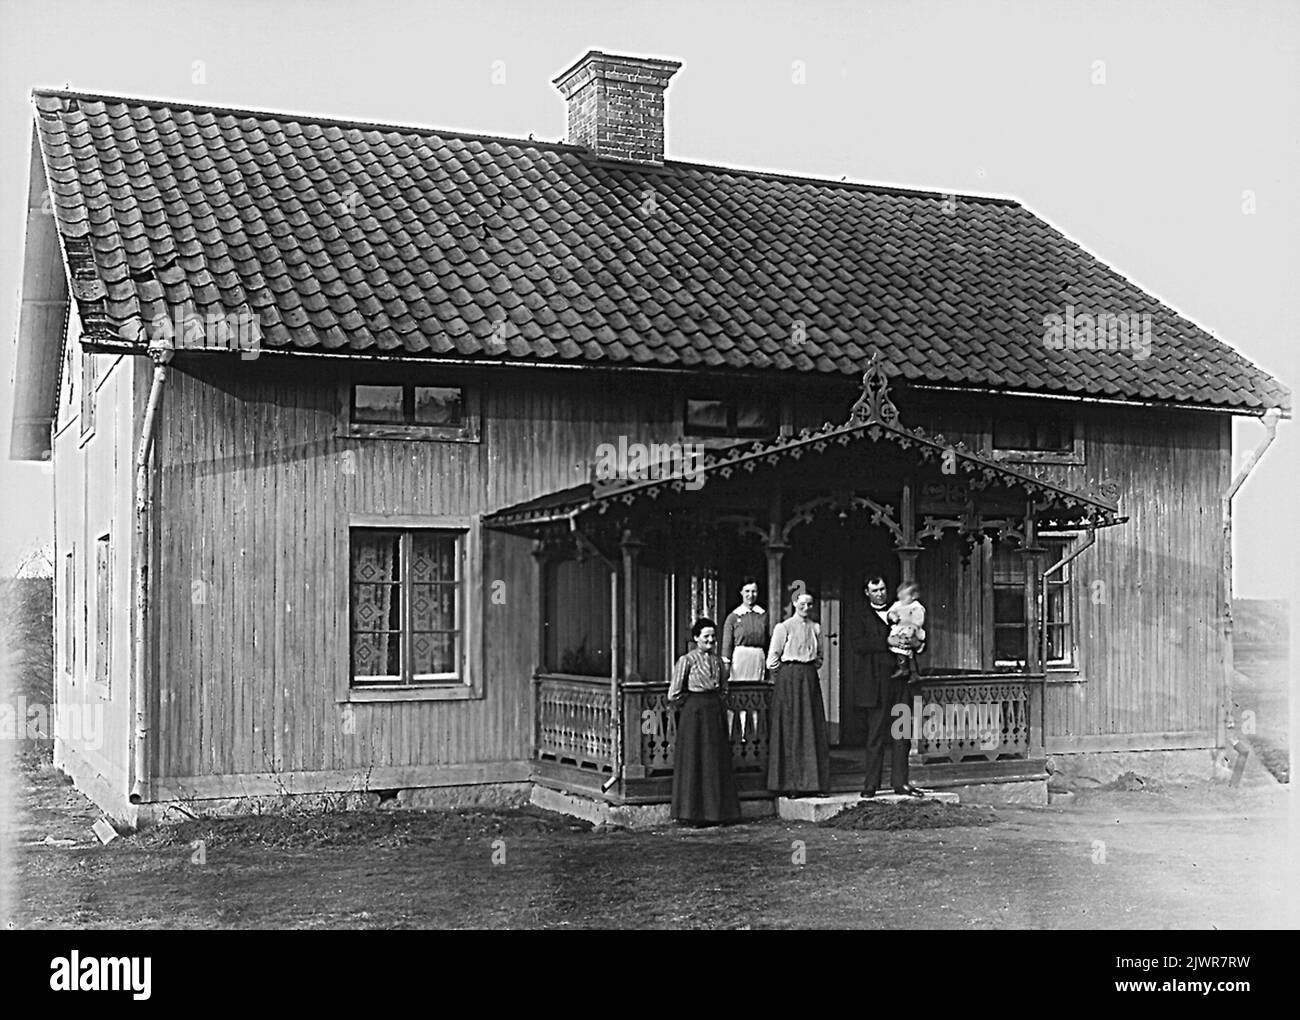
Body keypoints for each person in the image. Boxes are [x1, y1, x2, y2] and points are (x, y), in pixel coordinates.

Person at [849, 574, 924, 798]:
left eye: (882, 589)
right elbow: (857, 644)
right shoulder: (861, 615)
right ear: (867, 592)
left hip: (900, 680)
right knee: (876, 734)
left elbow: (917, 636)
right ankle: (871, 784)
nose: (880, 593)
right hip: (876, 682)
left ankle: (901, 782)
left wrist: (915, 643)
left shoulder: (900, 609)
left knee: (901, 732)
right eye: (875, 590)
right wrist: (886, 642)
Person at [667, 617, 741, 826]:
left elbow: (725, 689)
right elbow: (674, 693)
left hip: (714, 711)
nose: (710, 640)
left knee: (714, 760)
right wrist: (692, 704)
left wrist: (715, 702)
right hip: (695, 713)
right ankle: (693, 814)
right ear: (696, 638)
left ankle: (717, 812)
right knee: (695, 759)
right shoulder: (687, 660)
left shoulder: (718, 662)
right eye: (705, 636)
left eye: (713, 636)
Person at [765, 590, 830, 796]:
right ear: (794, 604)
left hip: (808, 677)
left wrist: (807, 670)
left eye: (810, 604)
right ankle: (792, 784)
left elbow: (820, 656)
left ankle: (813, 784)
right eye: (802, 604)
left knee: (811, 727)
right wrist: (786, 675)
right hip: (789, 678)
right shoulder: (783, 627)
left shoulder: (816, 627)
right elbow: (772, 658)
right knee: (791, 728)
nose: (806, 608)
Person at [720, 578, 769, 684]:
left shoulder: (763, 615)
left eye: (754, 591)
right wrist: (726, 663)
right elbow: (727, 643)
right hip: (740, 658)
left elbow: (769, 639)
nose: (750, 595)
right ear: (741, 592)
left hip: (758, 657)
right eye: (747, 591)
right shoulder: (733, 616)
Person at [887, 581, 927, 682]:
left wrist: (913, 630)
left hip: (911, 631)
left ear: (913, 596)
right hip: (900, 632)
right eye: (900, 598)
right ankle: (904, 669)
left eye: (904, 598)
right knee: (902, 653)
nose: (902, 601)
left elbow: (918, 621)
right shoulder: (897, 605)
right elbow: (890, 613)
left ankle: (914, 674)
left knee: (917, 693)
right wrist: (893, 616)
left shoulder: (916, 607)